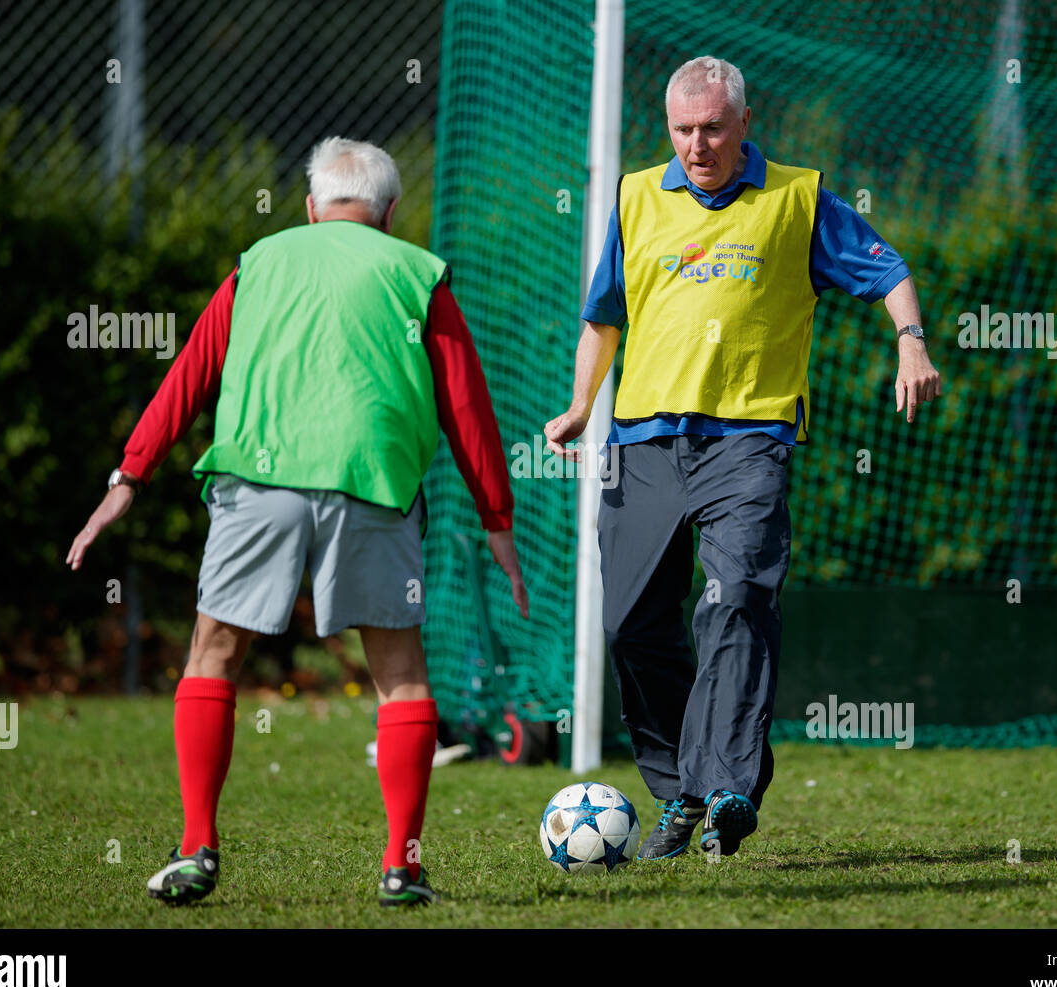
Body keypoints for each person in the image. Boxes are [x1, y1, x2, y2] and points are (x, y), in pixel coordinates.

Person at [66, 137, 528, 907]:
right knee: (401, 675)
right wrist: (498, 520)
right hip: (370, 482)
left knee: (214, 655)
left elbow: (191, 371)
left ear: (312, 208)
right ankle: (401, 868)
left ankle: (195, 850)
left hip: (261, 477)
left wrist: (130, 474)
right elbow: (466, 403)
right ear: (390, 212)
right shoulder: (417, 272)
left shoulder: (261, 260)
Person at [545, 56, 940, 860]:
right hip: (643, 442)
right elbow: (602, 317)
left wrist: (911, 344)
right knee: (629, 623)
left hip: (748, 441)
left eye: (713, 128)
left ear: (744, 125)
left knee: (734, 604)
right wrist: (582, 404)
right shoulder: (635, 197)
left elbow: (887, 268)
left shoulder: (796, 199)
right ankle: (678, 791)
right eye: (685, 130)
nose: (699, 145)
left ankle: (727, 789)